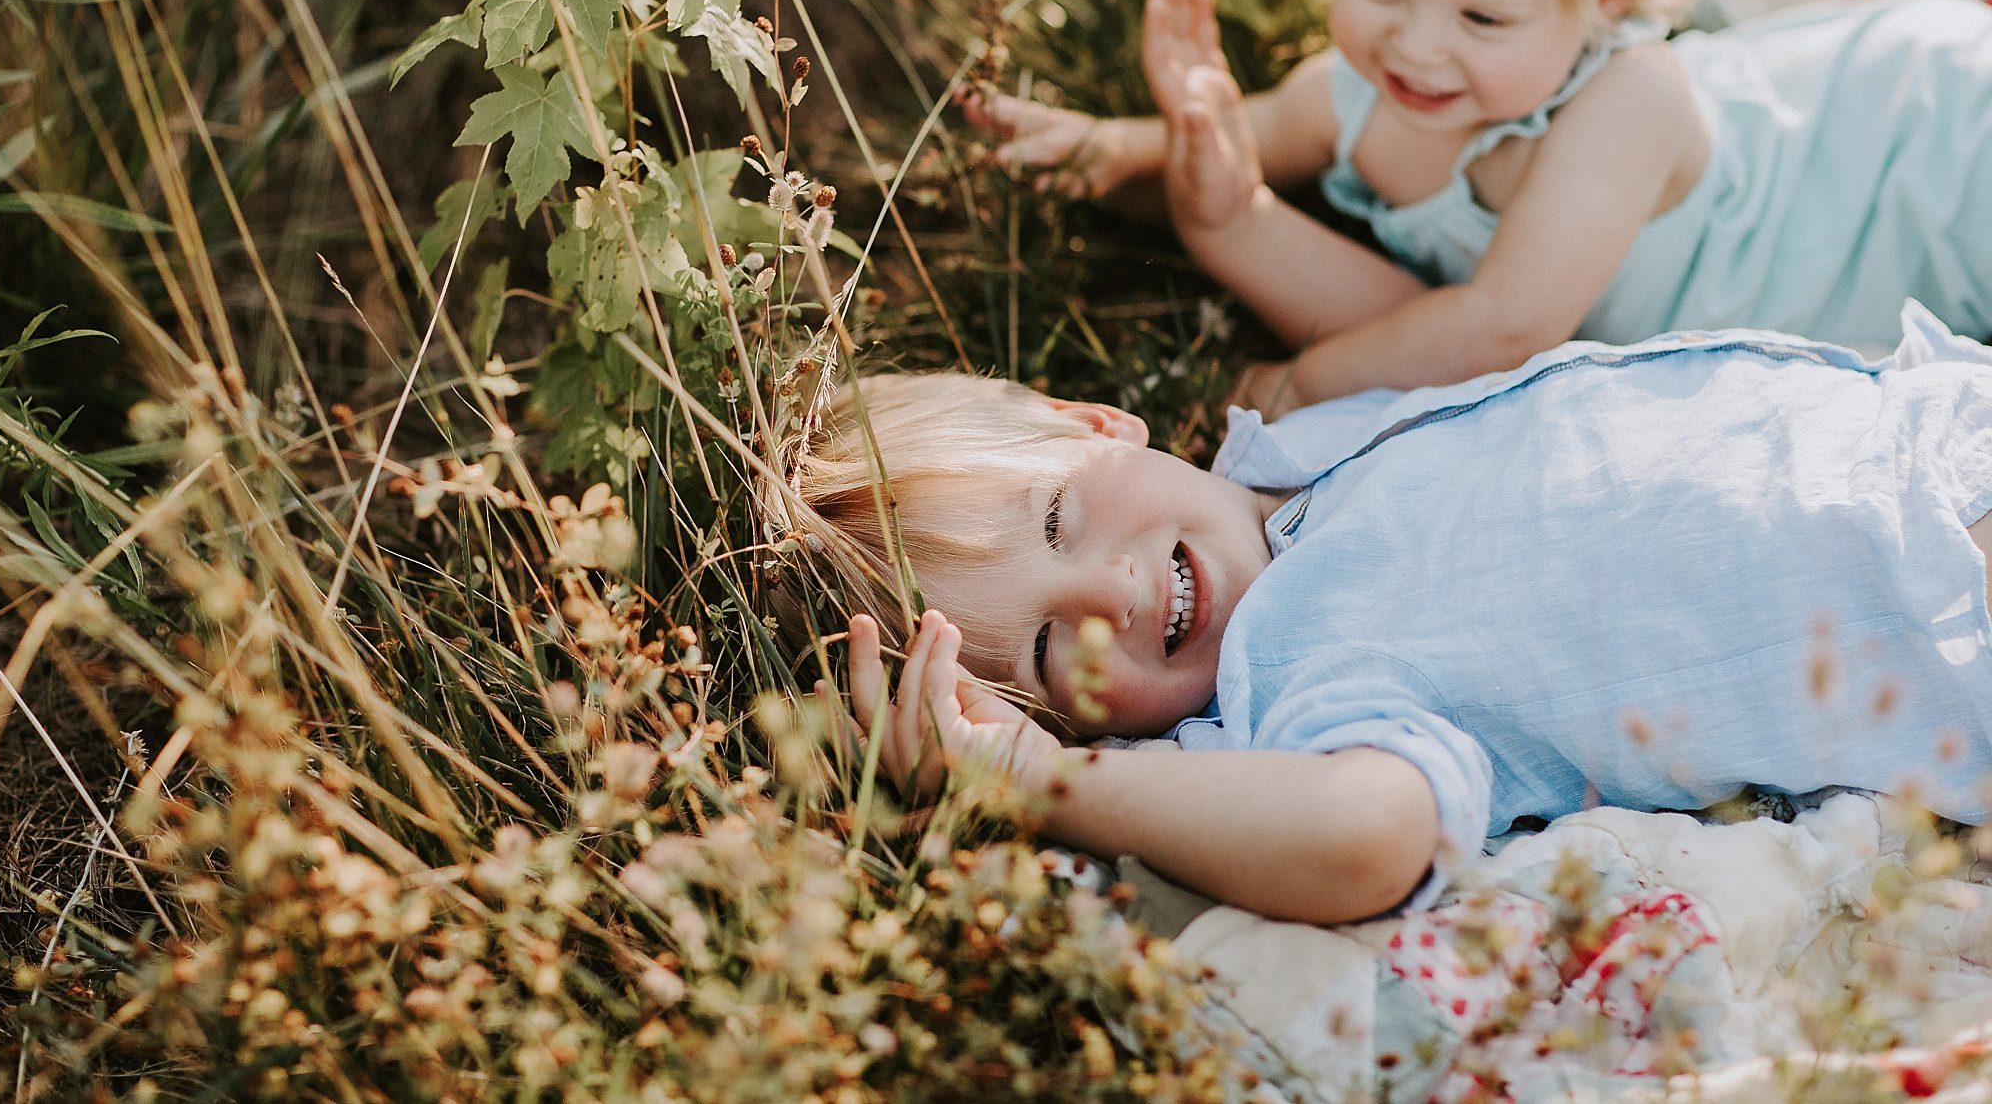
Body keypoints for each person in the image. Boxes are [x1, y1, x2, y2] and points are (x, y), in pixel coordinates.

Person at [778, 304, 1992, 926]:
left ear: (1094, 422)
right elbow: (1365, 835)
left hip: (1933, 419)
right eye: (1051, 647)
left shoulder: (1299, 445)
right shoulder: (1286, 688)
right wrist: (1042, 785)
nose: (1111, 592)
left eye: (1055, 524)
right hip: (1941, 622)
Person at [965, 0, 1992, 414]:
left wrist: (1291, 389)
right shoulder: (1367, 92)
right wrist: (1120, 151)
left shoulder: (1627, 102)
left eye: (1480, 16)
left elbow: (1495, 331)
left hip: (1922, 157)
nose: (1414, 45)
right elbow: (1262, 181)